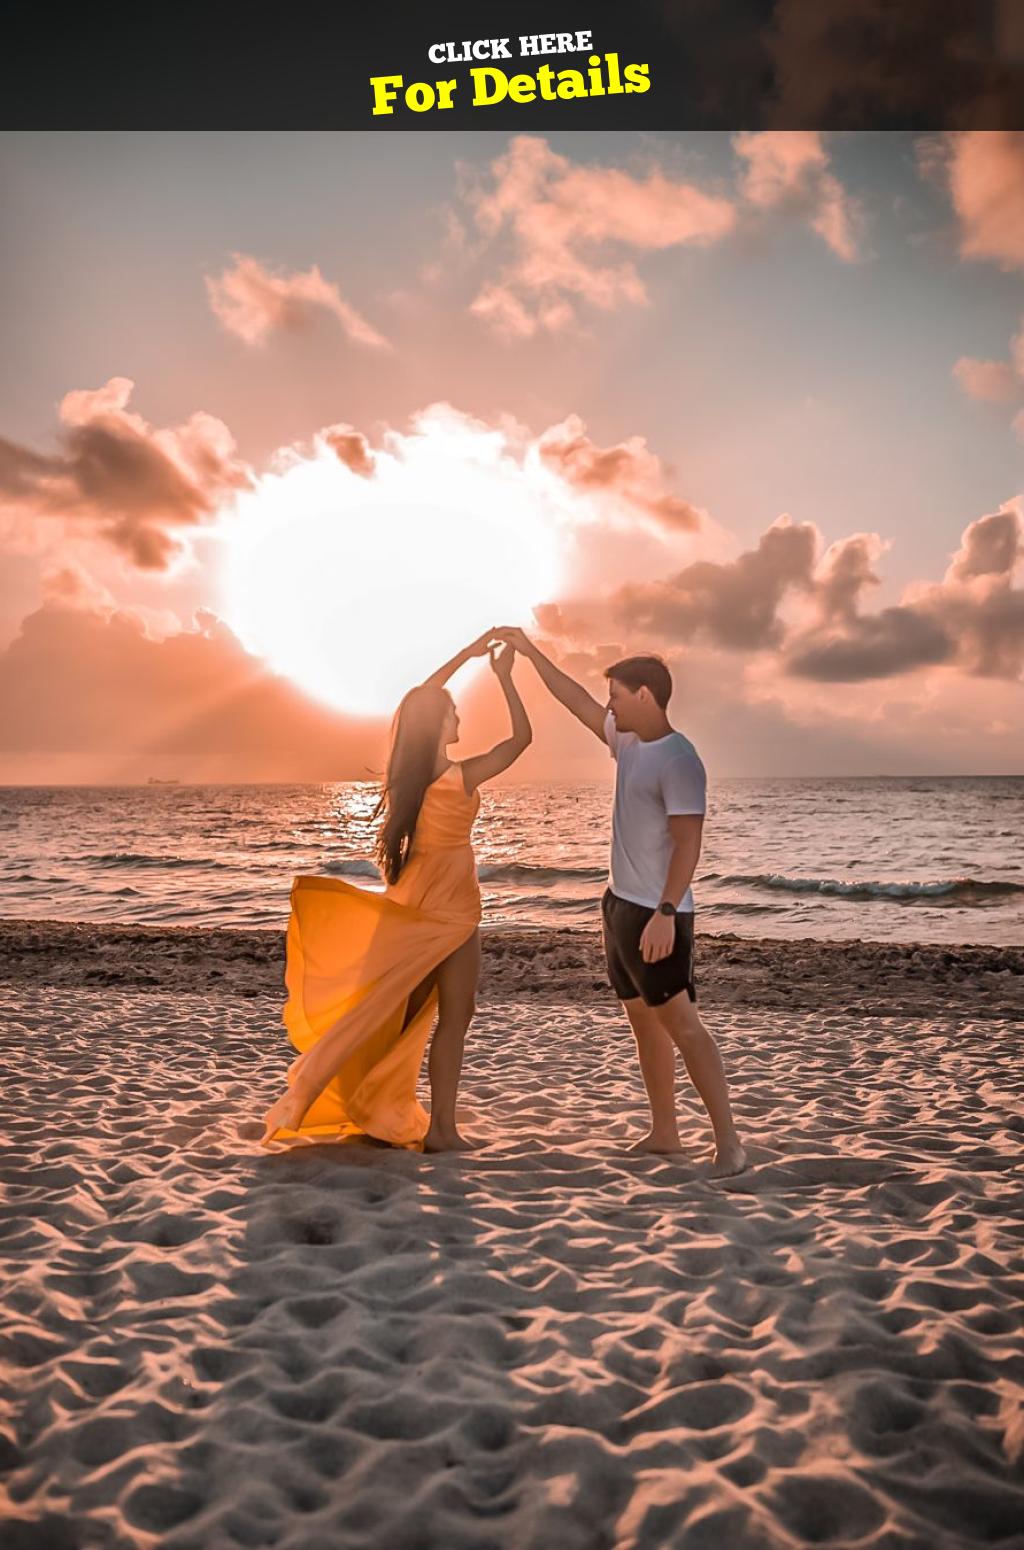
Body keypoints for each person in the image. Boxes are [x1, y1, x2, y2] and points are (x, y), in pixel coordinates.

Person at [259, 628, 530, 1153]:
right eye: (453, 714)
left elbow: (417, 707)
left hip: (408, 904)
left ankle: (384, 1112)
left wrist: (464, 657)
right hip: (452, 908)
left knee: (397, 1015)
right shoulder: (460, 776)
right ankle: (443, 1131)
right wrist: (503, 679)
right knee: (455, 1017)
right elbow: (520, 741)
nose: (459, 719)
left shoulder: (407, 775)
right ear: (439, 724)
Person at [493, 627, 747, 1177]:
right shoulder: (626, 741)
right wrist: (531, 651)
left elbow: (689, 842)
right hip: (619, 906)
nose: (607, 703)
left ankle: (729, 1142)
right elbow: (575, 700)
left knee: (682, 1025)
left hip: (659, 913)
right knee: (644, 1023)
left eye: (616, 694)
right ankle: (665, 1133)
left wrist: (665, 912)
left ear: (645, 696)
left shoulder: (679, 760)